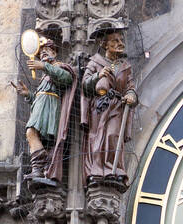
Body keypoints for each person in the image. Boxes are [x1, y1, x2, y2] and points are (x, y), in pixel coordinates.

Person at [12, 37, 76, 185]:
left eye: (46, 52)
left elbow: (66, 79)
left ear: (54, 52)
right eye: (41, 54)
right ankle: (41, 169)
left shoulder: (60, 66)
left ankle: (41, 166)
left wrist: (44, 66)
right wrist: (28, 94)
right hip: (41, 108)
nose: (43, 55)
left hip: (51, 109)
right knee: (33, 135)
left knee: (31, 133)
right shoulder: (46, 76)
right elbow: (40, 99)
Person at [81, 29, 138, 182]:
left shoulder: (125, 66)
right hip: (99, 106)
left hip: (117, 106)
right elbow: (85, 85)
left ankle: (113, 169)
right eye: (115, 41)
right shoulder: (95, 62)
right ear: (105, 44)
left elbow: (131, 86)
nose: (120, 44)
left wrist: (131, 95)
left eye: (121, 40)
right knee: (97, 136)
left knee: (113, 135)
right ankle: (97, 170)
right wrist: (97, 76)